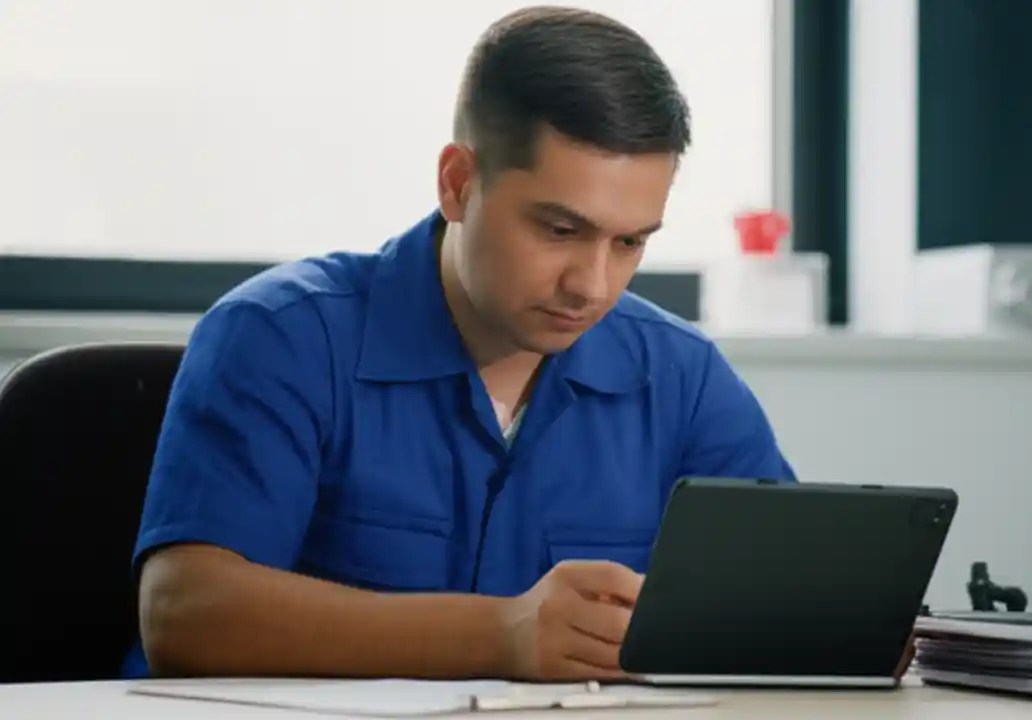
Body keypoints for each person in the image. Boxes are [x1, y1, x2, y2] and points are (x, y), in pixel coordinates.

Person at [128, 5, 795, 682]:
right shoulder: (282, 335)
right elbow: (186, 614)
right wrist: (503, 635)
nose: (592, 286)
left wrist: (857, 637)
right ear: (457, 183)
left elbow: (800, 601)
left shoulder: (683, 375)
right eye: (560, 230)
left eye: (629, 242)